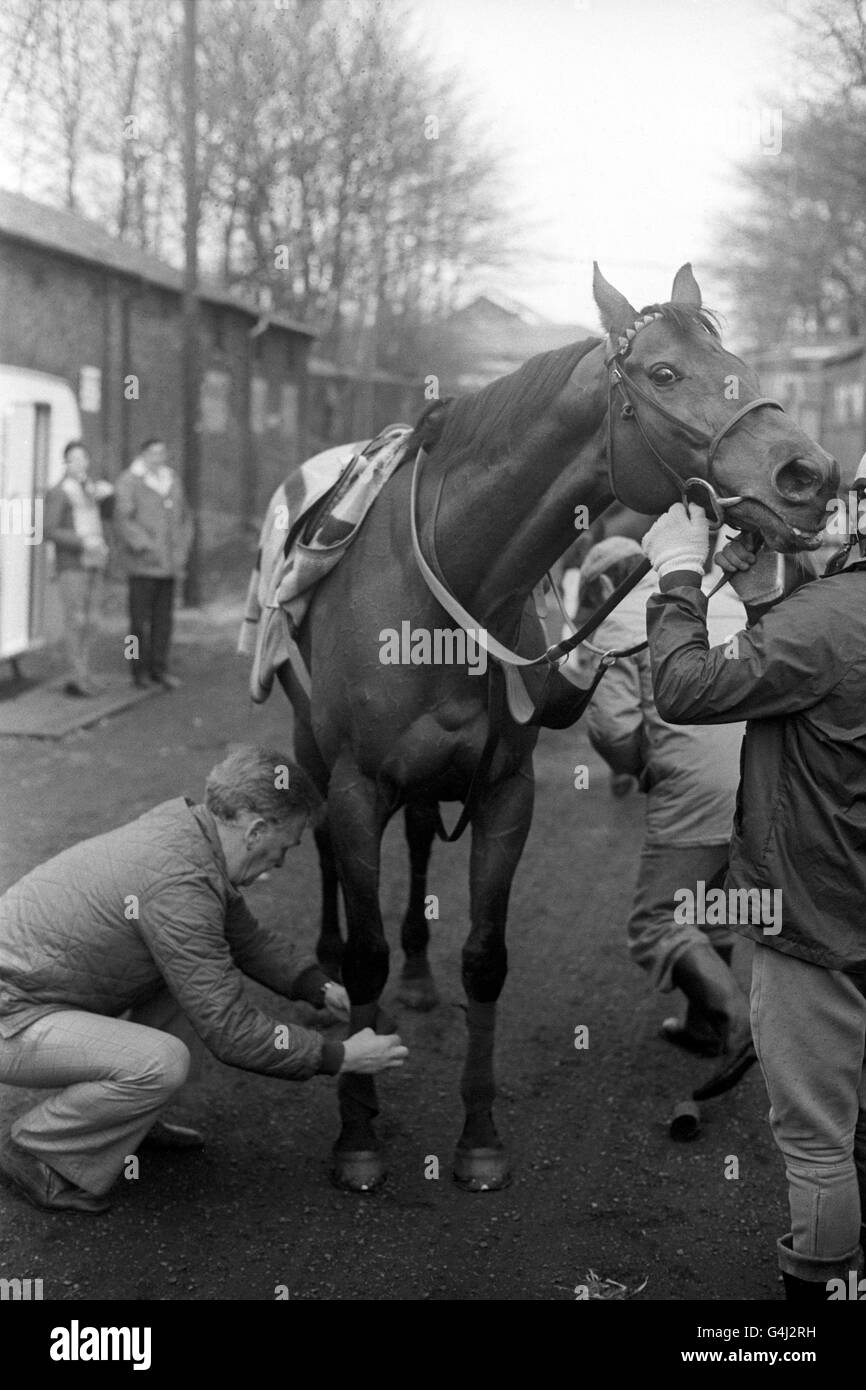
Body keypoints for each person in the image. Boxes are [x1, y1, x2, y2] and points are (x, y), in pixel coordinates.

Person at [0, 745, 407, 1215]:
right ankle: (37, 1150)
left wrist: (320, 988)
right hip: (13, 1017)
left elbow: (245, 940)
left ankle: (123, 1119)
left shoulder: (188, 834)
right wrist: (339, 1056)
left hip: (33, 995)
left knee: (187, 978)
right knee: (163, 1061)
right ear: (256, 830)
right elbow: (230, 1031)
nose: (281, 862)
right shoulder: (180, 885)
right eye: (287, 844)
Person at [641, 496, 866, 1300]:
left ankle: (823, 1291)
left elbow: (683, 685)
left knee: (816, 1144)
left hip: (819, 918)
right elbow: (823, 678)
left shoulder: (831, 616)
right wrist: (775, 592)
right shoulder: (824, 617)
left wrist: (676, 574)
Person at [577, 537, 753, 1097]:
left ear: (604, 586)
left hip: (693, 783)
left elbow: (612, 730)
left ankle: (740, 1018)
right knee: (714, 897)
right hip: (761, 776)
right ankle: (703, 1026)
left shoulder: (620, 617)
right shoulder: (716, 593)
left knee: (656, 924)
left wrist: (637, 768)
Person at [114, 438, 193, 690]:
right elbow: (123, 519)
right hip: (142, 566)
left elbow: (185, 518)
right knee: (138, 623)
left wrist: (181, 548)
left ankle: (160, 668)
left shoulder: (172, 480)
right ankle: (137, 671)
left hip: (168, 567)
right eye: (152, 453)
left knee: (163, 621)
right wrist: (144, 545)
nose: (157, 458)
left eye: (162, 453)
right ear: (143, 454)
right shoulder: (129, 481)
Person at [43, 440, 113, 697]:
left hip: (94, 561)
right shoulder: (60, 491)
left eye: (83, 458)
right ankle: (76, 677)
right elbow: (48, 530)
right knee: (76, 620)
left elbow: (104, 520)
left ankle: (85, 672)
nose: (79, 463)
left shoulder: (92, 489)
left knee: (93, 621)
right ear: (66, 463)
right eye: (73, 459)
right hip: (72, 564)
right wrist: (82, 541)